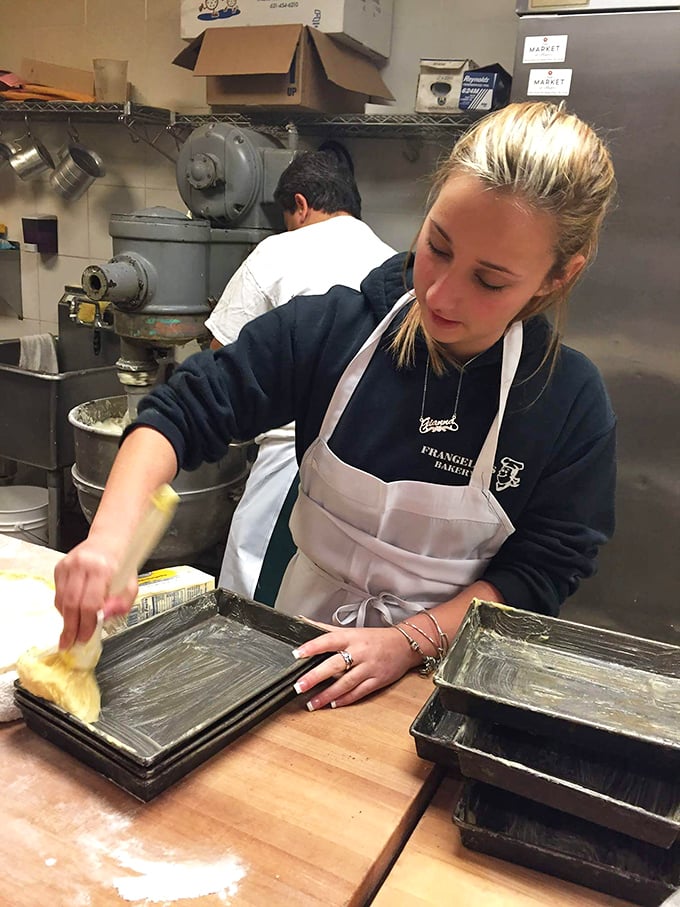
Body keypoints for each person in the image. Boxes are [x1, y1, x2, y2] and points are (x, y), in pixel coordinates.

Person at [55, 101, 617, 713]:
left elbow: (540, 574)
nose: (440, 291)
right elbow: (182, 411)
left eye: (490, 280)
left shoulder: (567, 402)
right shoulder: (333, 329)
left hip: (447, 681)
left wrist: (405, 642)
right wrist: (108, 540)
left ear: (557, 277)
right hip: (298, 654)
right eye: (438, 245)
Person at [205, 151, 395, 602]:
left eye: (288, 217)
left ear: (301, 204)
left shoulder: (279, 250)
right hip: (370, 470)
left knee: (253, 591)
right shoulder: (391, 260)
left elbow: (222, 358)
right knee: (337, 600)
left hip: (290, 461)